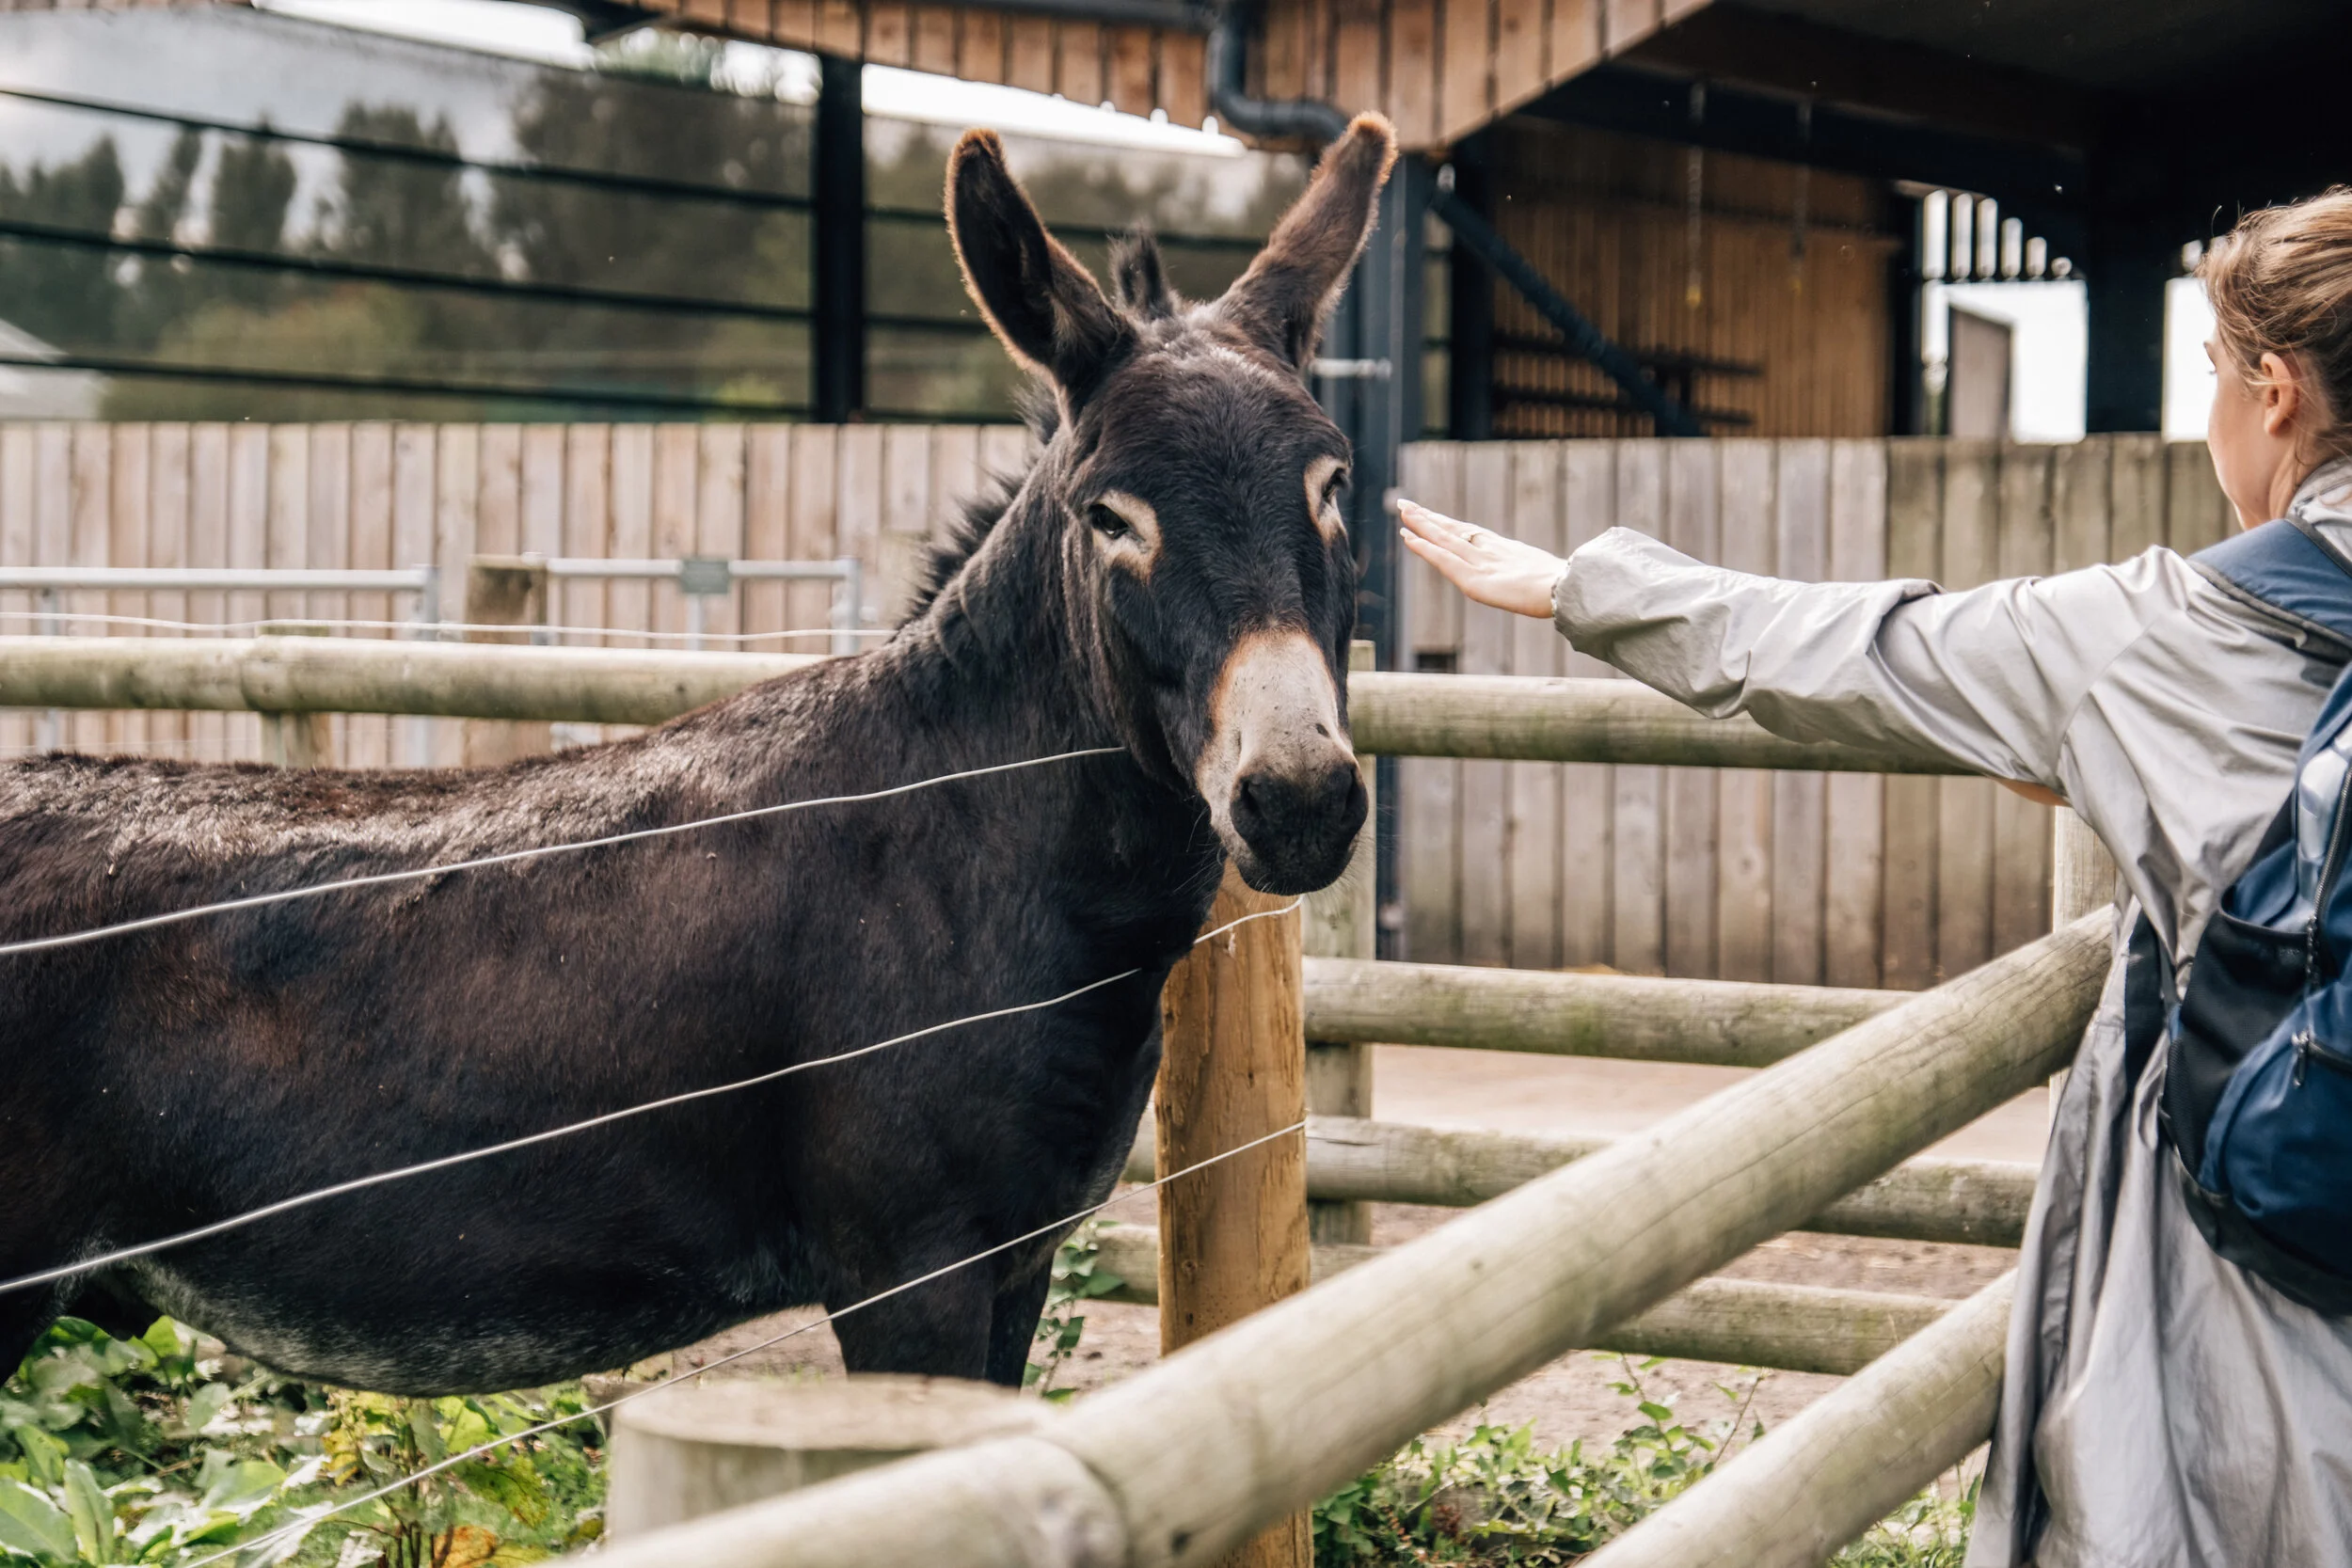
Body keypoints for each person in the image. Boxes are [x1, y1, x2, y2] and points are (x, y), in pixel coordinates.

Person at [1397, 189, 2352, 1567]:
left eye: (2212, 373)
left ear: (2274, 391)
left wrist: (1575, 587)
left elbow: (1862, 648)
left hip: (2266, 1297)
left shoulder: (2166, 636)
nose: (2209, 411)